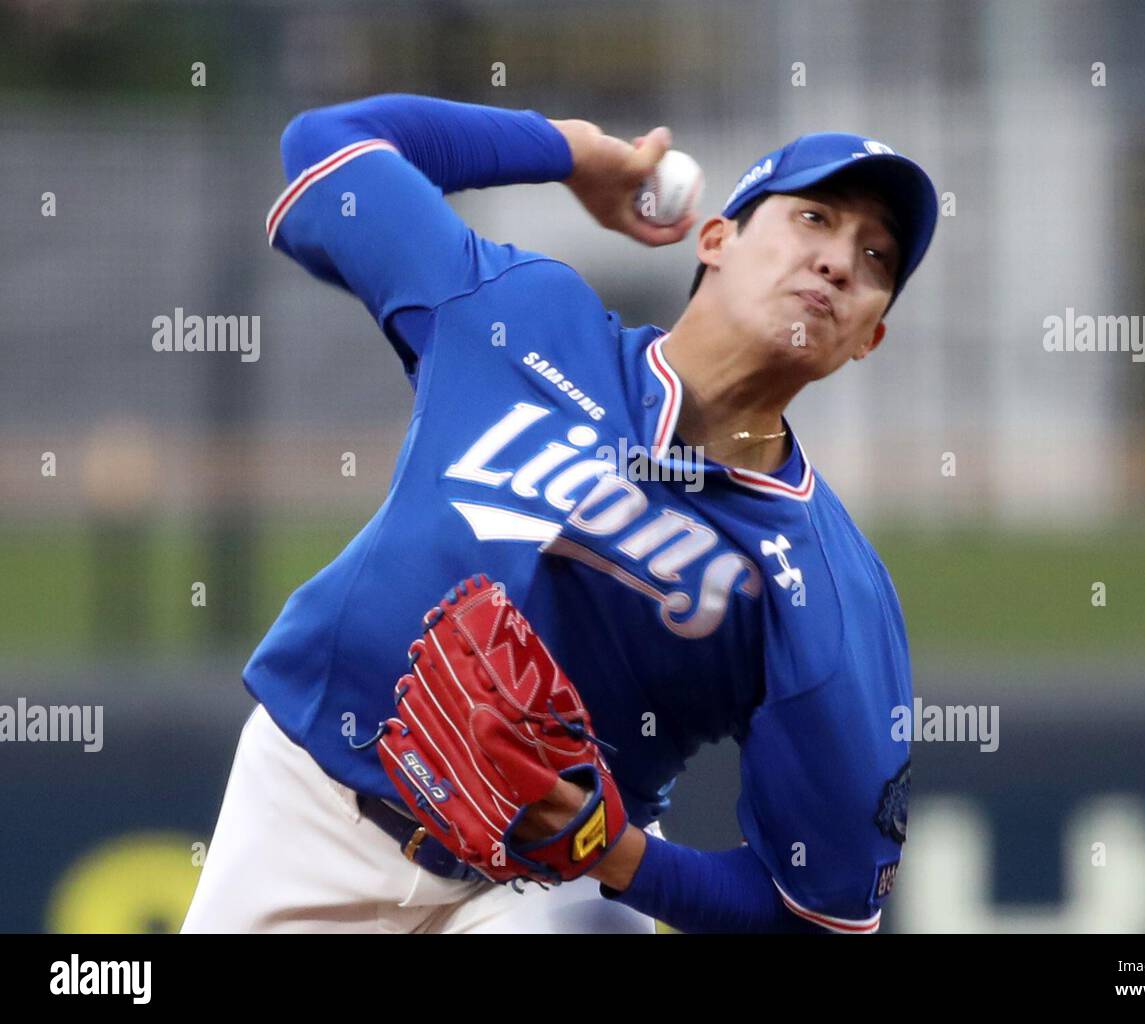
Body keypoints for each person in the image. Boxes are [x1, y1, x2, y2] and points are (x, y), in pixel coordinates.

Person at [182, 92, 936, 934]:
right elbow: (327, 146)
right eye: (813, 217)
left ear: (870, 336)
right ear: (716, 239)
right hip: (310, 808)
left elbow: (816, 915)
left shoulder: (827, 589)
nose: (837, 261)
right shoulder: (525, 317)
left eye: (875, 257)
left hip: (547, 891)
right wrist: (567, 151)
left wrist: (614, 856)